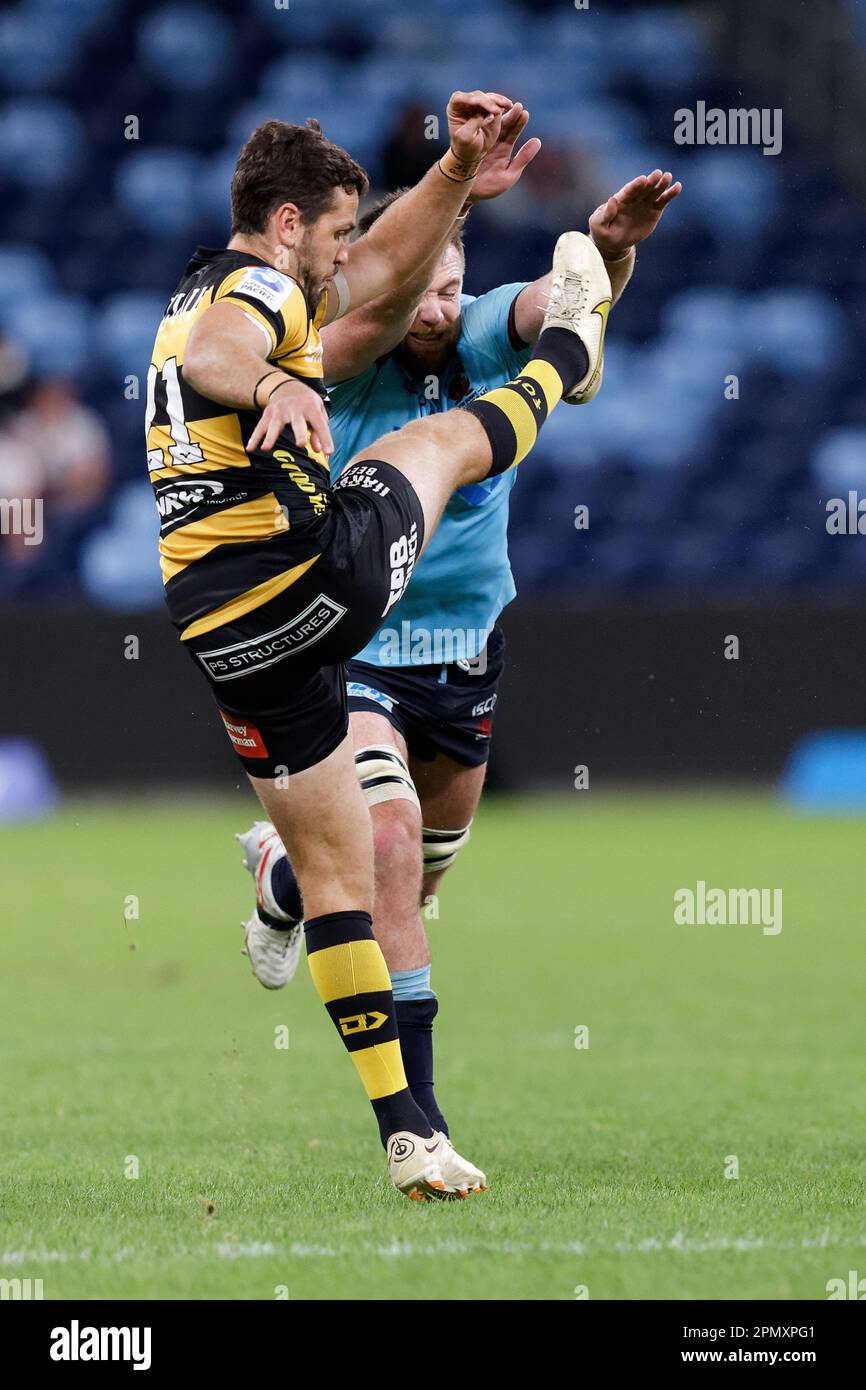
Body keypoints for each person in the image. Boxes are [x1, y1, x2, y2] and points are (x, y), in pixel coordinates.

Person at [147, 92, 611, 1200]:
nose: (353, 253)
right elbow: (225, 347)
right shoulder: (251, 289)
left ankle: (406, 1131)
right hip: (311, 581)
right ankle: (562, 355)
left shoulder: (246, 285)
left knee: (336, 879)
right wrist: (265, 382)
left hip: (224, 634)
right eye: (341, 231)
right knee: (445, 439)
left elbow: (378, 269)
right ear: (291, 221)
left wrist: (451, 167)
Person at [235, 164, 681, 1148]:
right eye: (419, 287)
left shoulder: (477, 326)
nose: (438, 307)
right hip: (350, 648)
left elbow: (560, 317)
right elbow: (376, 315)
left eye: (451, 286)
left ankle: (282, 876)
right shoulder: (339, 352)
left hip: (461, 654)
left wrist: (605, 251)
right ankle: (417, 1126)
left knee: (417, 881)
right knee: (385, 850)